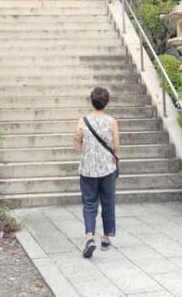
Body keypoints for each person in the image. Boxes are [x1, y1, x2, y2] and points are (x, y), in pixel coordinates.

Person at [73, 86, 120, 258]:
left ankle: (89, 236)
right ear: (106, 102)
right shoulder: (112, 121)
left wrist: (84, 148)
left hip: (87, 169)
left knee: (89, 203)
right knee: (108, 202)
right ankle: (106, 237)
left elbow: (77, 142)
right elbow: (116, 146)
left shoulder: (83, 121)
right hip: (107, 168)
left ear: (91, 100)